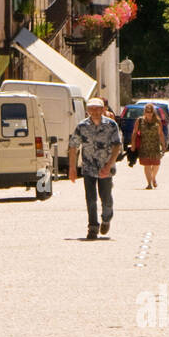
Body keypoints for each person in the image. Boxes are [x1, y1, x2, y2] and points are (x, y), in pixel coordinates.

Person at [67, 97, 122, 240]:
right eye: (91, 109)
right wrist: (72, 168)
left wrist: (109, 164)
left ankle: (106, 219)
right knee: (90, 199)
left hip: (106, 167)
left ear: (103, 109)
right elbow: (73, 146)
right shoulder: (82, 126)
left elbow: (117, 145)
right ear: (87, 110)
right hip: (88, 168)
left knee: (106, 198)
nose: (95, 112)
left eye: (98, 109)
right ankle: (92, 227)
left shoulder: (111, 125)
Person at [132, 102, 166, 189]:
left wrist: (163, 145)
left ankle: (153, 177)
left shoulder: (157, 121)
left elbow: (161, 134)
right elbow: (135, 133)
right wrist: (133, 145)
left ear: (153, 112)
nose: (149, 113)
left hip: (155, 146)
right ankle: (149, 183)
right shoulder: (140, 121)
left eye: (150, 111)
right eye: (147, 111)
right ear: (144, 112)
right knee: (147, 165)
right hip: (144, 146)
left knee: (156, 164)